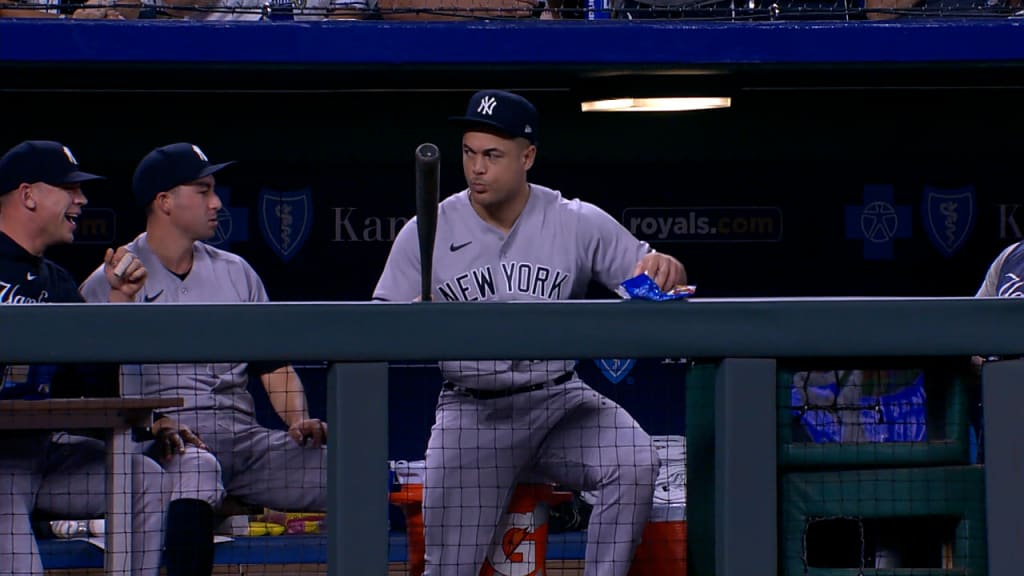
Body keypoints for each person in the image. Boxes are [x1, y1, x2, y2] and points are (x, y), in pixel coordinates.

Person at [373, 90, 687, 576]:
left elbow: (655, 276)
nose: (476, 168)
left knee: (635, 460)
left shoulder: (574, 221)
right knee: (447, 569)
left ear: (528, 157)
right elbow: (374, 329)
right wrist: (413, 323)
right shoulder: (428, 228)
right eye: (469, 153)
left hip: (561, 404)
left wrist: (666, 264)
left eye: (492, 156)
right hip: (473, 413)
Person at [79, 143, 328, 525]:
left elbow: (273, 365)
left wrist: (298, 419)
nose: (216, 203)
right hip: (165, 446)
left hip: (246, 445)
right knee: (197, 474)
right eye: (203, 191)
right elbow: (93, 386)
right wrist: (151, 425)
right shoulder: (113, 280)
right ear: (164, 201)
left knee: (349, 468)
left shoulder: (236, 271)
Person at [0, 139, 214, 576]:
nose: (82, 200)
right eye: (69, 189)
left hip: (43, 452)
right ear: (28, 195)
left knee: (145, 479)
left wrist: (119, 302)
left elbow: (93, 385)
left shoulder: (58, 283)